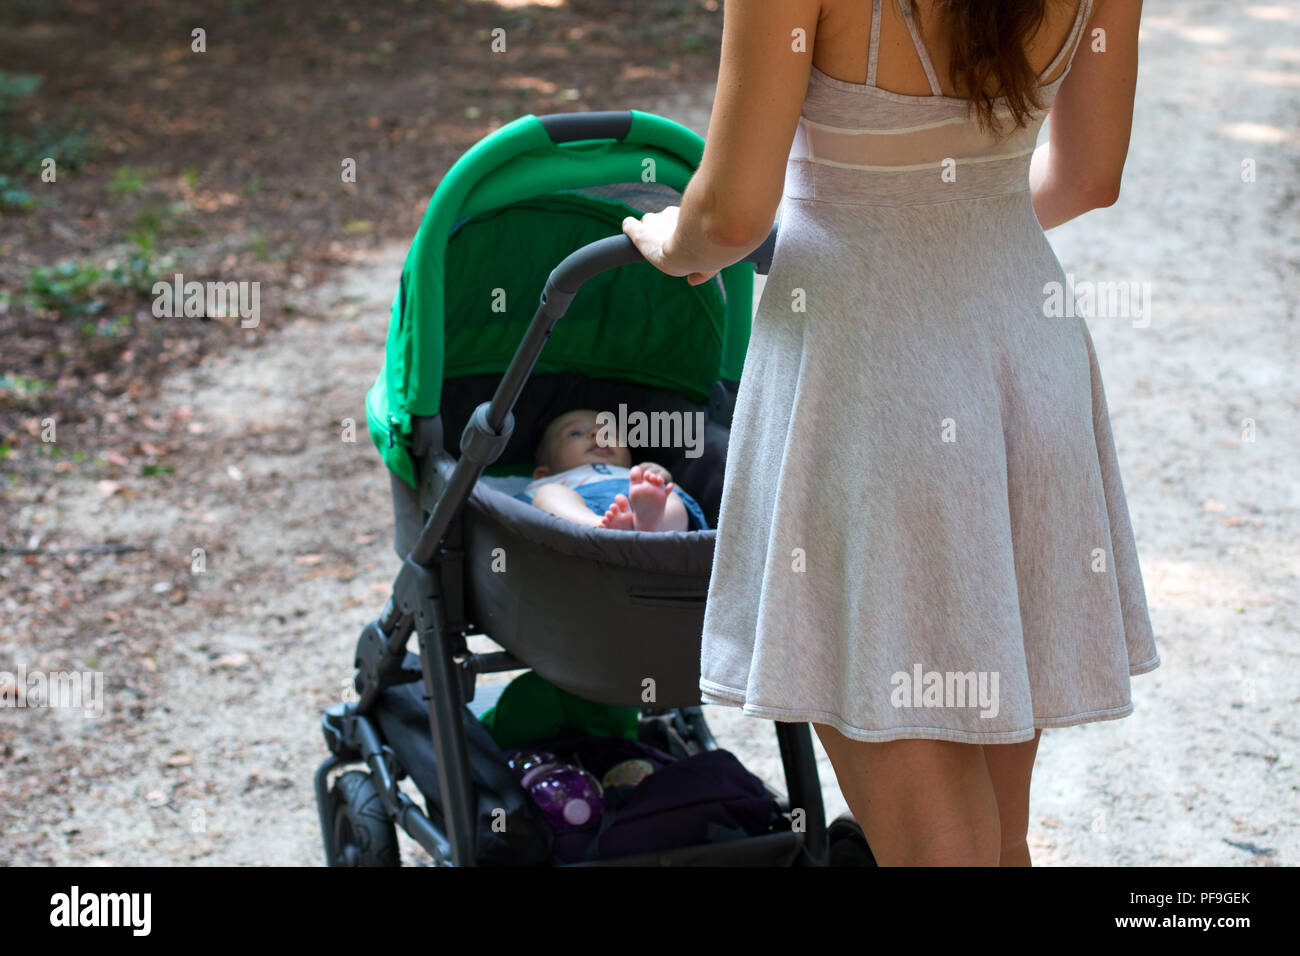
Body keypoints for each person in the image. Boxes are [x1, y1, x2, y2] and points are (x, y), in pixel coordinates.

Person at [622, 0, 1159, 866]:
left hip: (869, 381)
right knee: (994, 835)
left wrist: (668, 243)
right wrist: (953, 216)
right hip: (1027, 359)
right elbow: (1092, 174)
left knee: (933, 847)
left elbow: (729, 215)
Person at [515, 408, 710, 532]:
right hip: (581, 513)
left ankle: (653, 527)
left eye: (608, 432)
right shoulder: (551, 481)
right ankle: (597, 527)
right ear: (543, 473)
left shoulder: (634, 475)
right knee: (548, 494)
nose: (597, 433)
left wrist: (660, 478)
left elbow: (677, 495)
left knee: (669, 493)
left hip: (640, 508)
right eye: (575, 433)